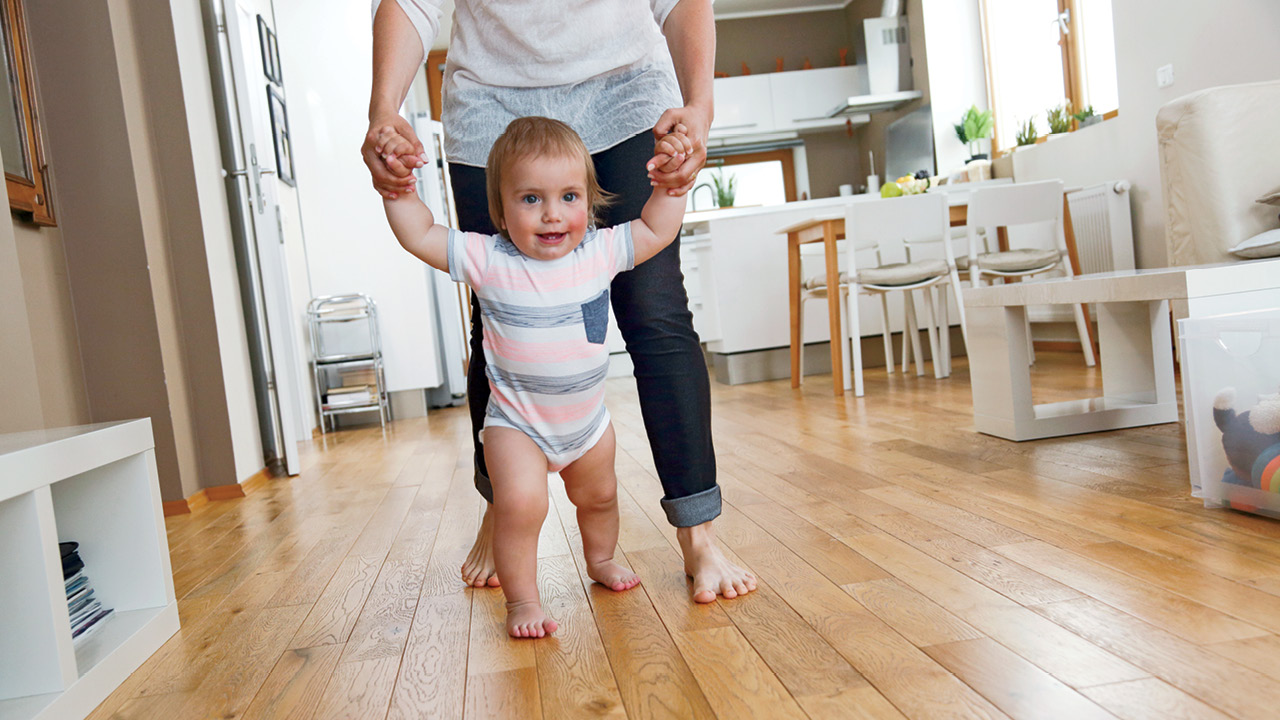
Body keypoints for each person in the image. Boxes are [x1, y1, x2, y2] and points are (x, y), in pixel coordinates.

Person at [364, 0, 756, 604]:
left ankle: (698, 532)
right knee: (491, 317)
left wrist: (698, 109)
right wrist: (385, 110)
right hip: (492, 101)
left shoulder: (604, 247)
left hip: (625, 92)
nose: (552, 216)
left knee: (656, 315)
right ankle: (502, 506)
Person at [381, 116, 692, 636]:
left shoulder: (599, 251)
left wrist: (672, 188)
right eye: (531, 199)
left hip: (587, 424)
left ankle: (600, 561)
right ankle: (523, 602)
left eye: (569, 196)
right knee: (521, 506)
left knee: (600, 499)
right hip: (517, 424)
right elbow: (419, 234)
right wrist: (398, 190)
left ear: (589, 204)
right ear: (501, 212)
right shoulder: (487, 258)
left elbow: (658, 228)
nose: (552, 214)